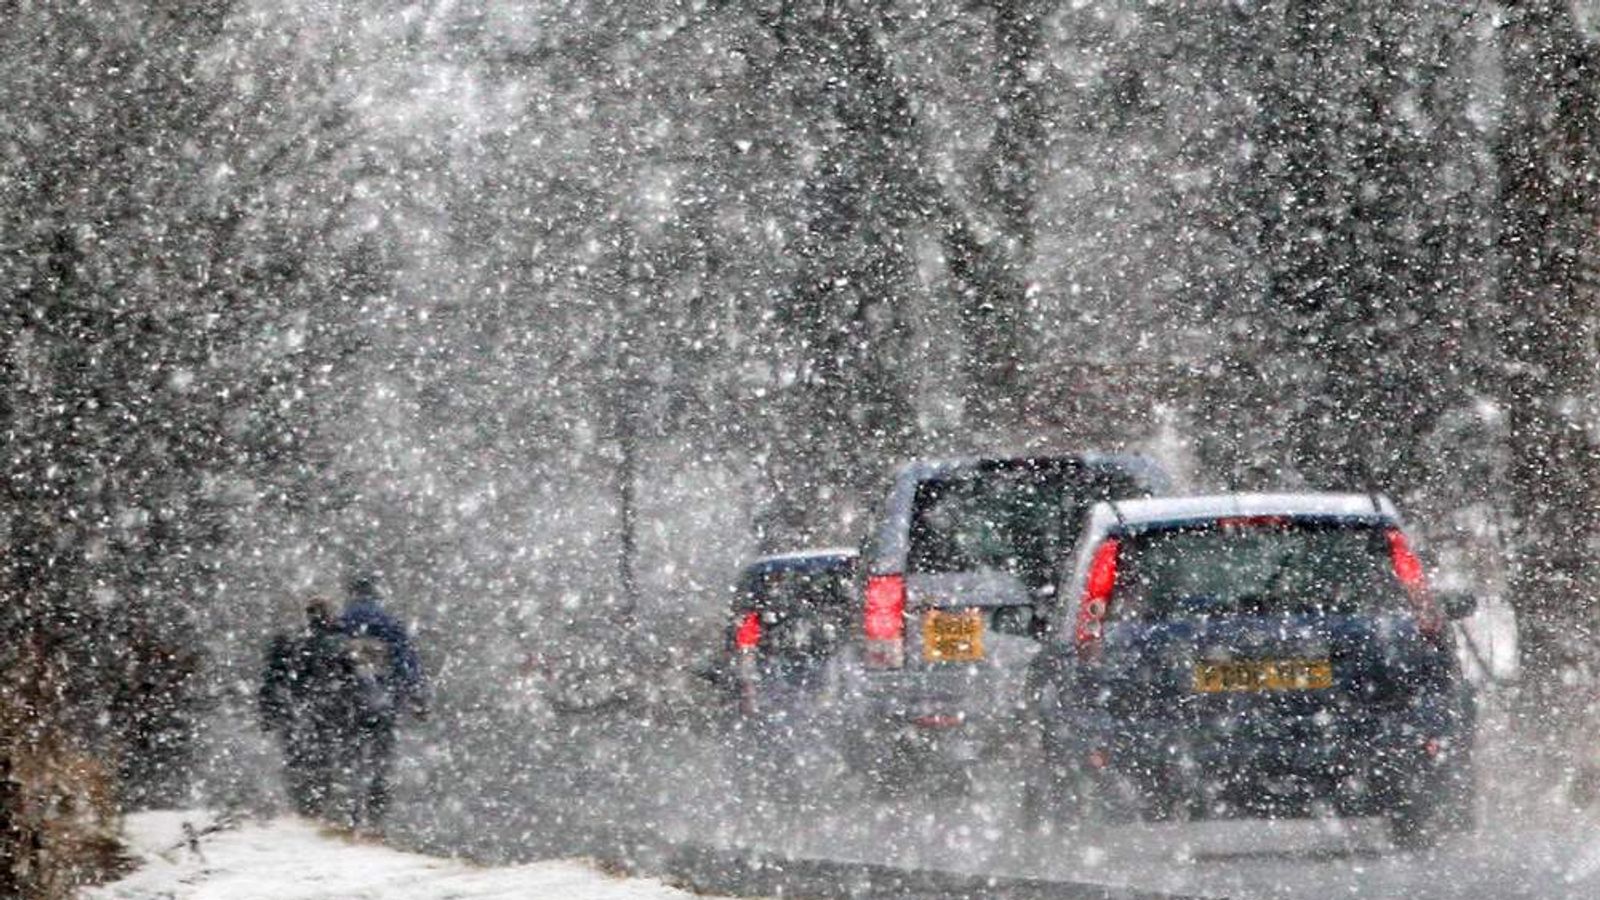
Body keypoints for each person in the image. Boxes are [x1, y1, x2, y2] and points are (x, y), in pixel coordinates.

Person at [338, 575, 427, 832]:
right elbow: (405, 661)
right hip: (384, 700)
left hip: (349, 698)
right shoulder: (390, 624)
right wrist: (416, 695)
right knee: (381, 755)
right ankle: (377, 811)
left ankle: (351, 808)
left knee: (350, 752)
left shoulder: (341, 622)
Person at [258, 598, 360, 818]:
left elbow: (272, 678)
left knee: (297, 755)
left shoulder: (289, 641)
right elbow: (351, 679)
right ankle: (319, 802)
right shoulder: (340, 642)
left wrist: (268, 711)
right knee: (325, 756)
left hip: (296, 707)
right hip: (329, 708)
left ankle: (302, 802)